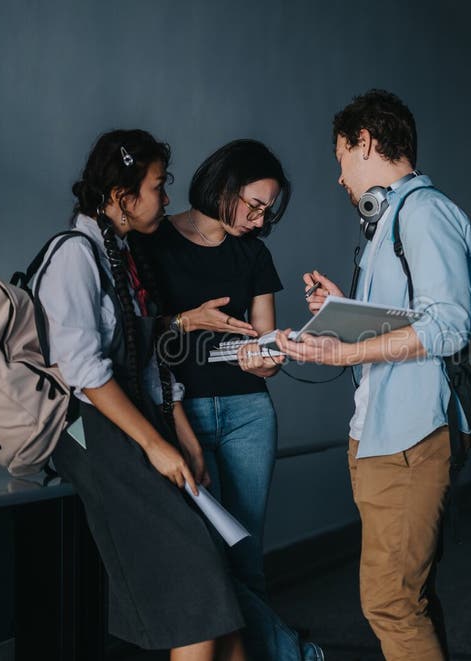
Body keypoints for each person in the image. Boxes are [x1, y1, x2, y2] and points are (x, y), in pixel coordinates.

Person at [275, 90, 471, 661]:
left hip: (411, 437)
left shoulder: (423, 212)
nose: (339, 176)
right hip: (383, 434)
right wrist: (344, 308)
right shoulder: (392, 220)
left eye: (340, 155)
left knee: (390, 602)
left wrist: (343, 355)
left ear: (365, 142)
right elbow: (404, 319)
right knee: (408, 598)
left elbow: (449, 326)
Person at [35, 129, 244, 660]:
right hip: (94, 434)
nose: (166, 198)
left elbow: (147, 364)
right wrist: (154, 444)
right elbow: (85, 371)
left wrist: (184, 436)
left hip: (135, 425)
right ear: (123, 199)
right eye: (158, 186)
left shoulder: (119, 256)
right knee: (196, 584)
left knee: (217, 591)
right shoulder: (75, 257)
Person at [140, 139, 323, 661]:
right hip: (182, 414)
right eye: (256, 205)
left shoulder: (253, 253)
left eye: (269, 211)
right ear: (224, 185)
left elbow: (266, 342)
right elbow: (136, 337)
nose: (261, 220)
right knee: (203, 561)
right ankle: (293, 655)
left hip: (248, 414)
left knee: (245, 561)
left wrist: (268, 357)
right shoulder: (154, 243)